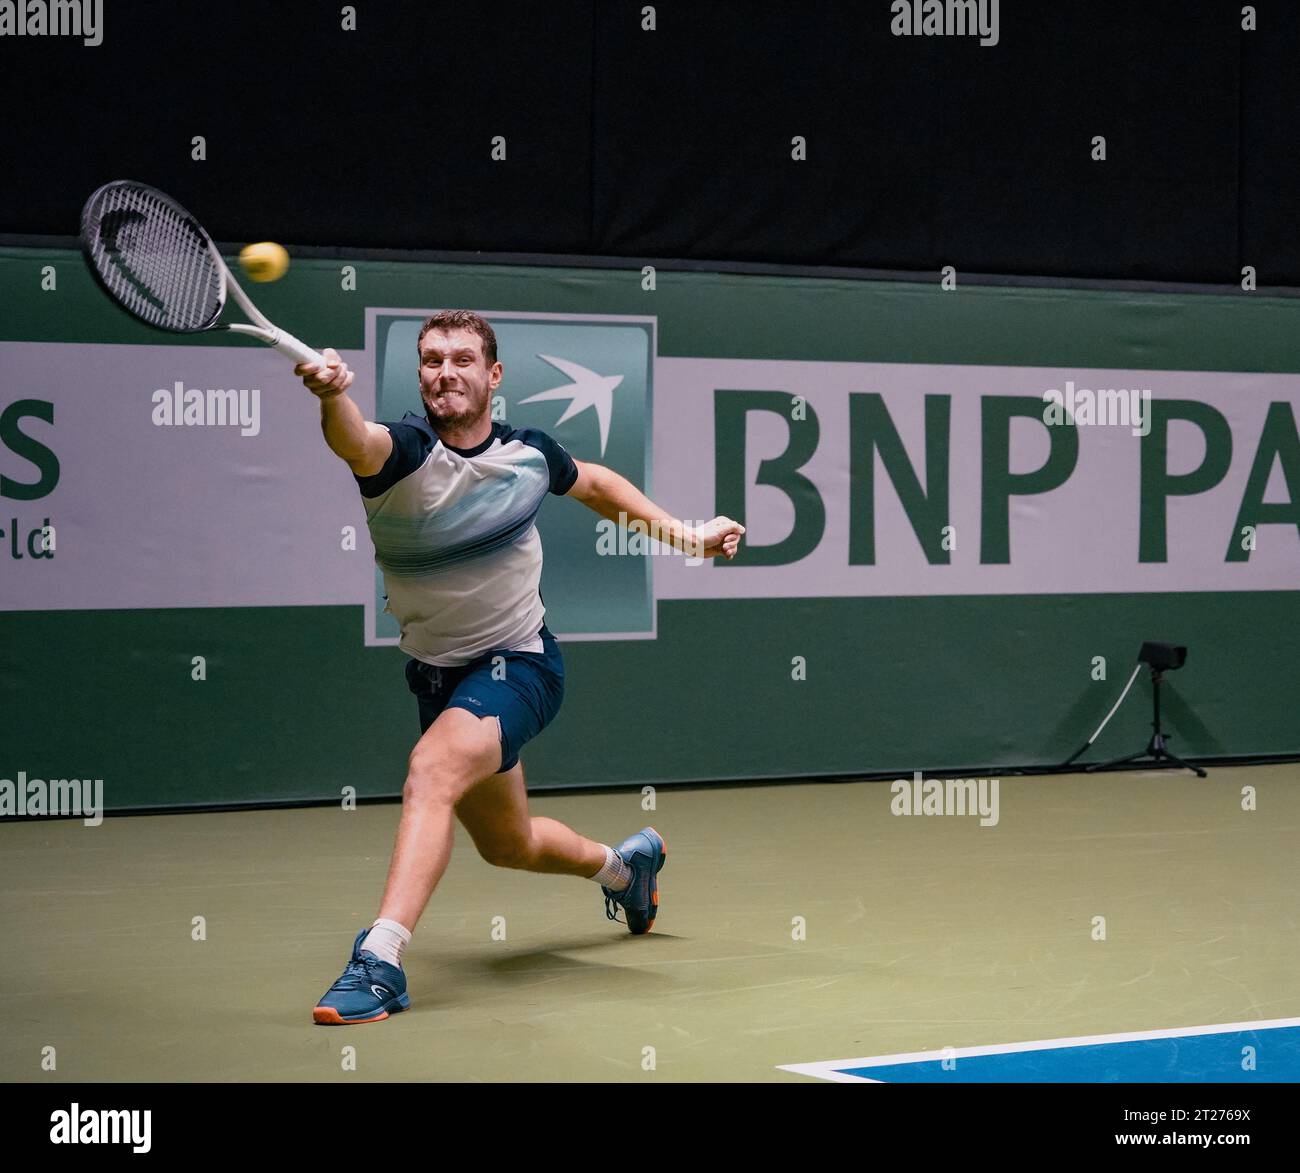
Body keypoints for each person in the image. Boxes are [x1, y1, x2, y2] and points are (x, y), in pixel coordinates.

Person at [299, 309, 745, 1024]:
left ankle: (379, 960)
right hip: (440, 678)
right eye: (432, 358)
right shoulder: (403, 456)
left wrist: (686, 534)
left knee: (431, 769)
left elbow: (595, 483)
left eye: (462, 358)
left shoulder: (529, 455)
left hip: (520, 666)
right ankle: (626, 870)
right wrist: (330, 396)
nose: (445, 370)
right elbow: (353, 438)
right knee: (508, 843)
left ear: (493, 375)